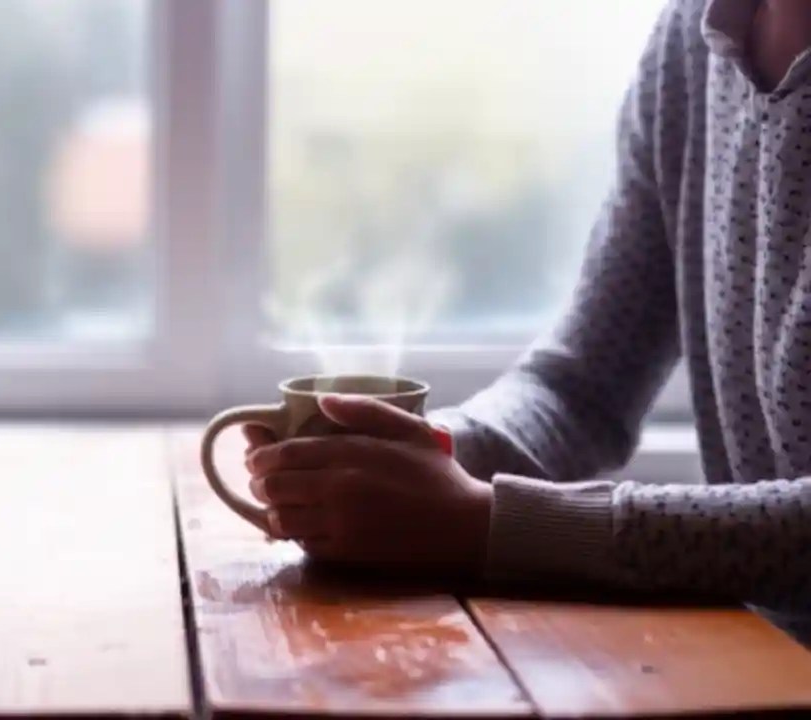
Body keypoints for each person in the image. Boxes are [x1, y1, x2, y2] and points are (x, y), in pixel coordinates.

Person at [243, 0, 811, 643]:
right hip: (763, 666)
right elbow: (580, 386)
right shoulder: (692, 40)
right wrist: (424, 452)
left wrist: (487, 525)